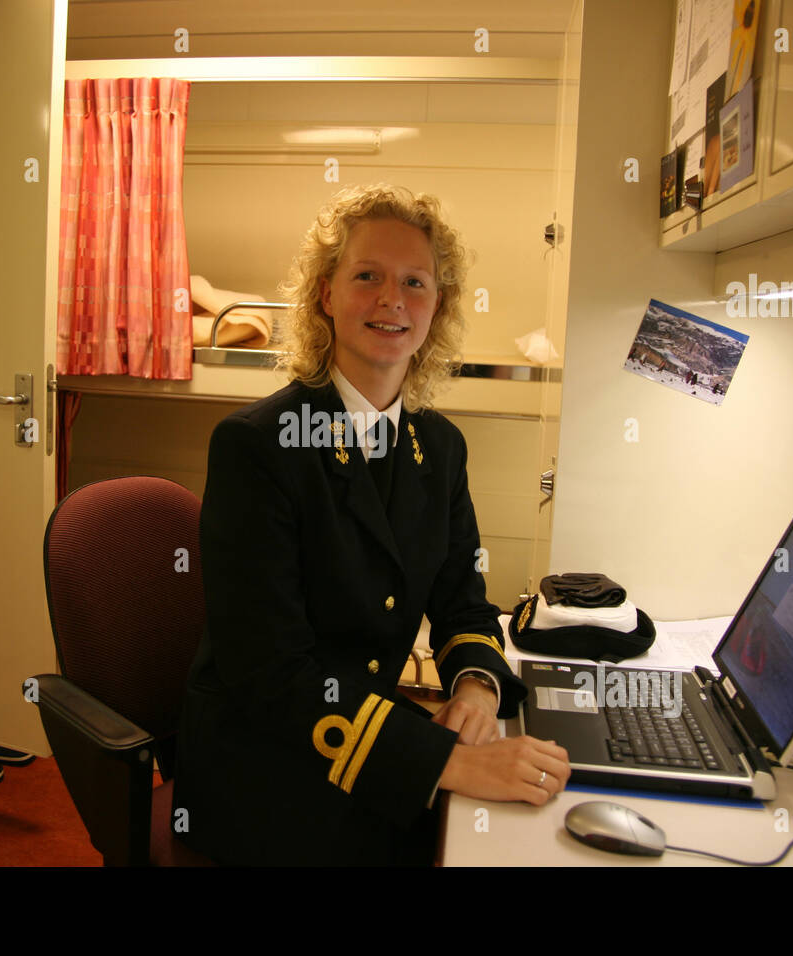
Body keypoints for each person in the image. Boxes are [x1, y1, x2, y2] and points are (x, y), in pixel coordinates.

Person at [172, 183, 570, 866]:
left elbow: (463, 603)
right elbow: (271, 676)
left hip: (366, 739)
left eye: (415, 282)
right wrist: (447, 763)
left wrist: (475, 682)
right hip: (265, 768)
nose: (393, 299)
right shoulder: (258, 447)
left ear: (437, 306)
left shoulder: (439, 448)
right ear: (326, 294)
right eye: (367, 276)